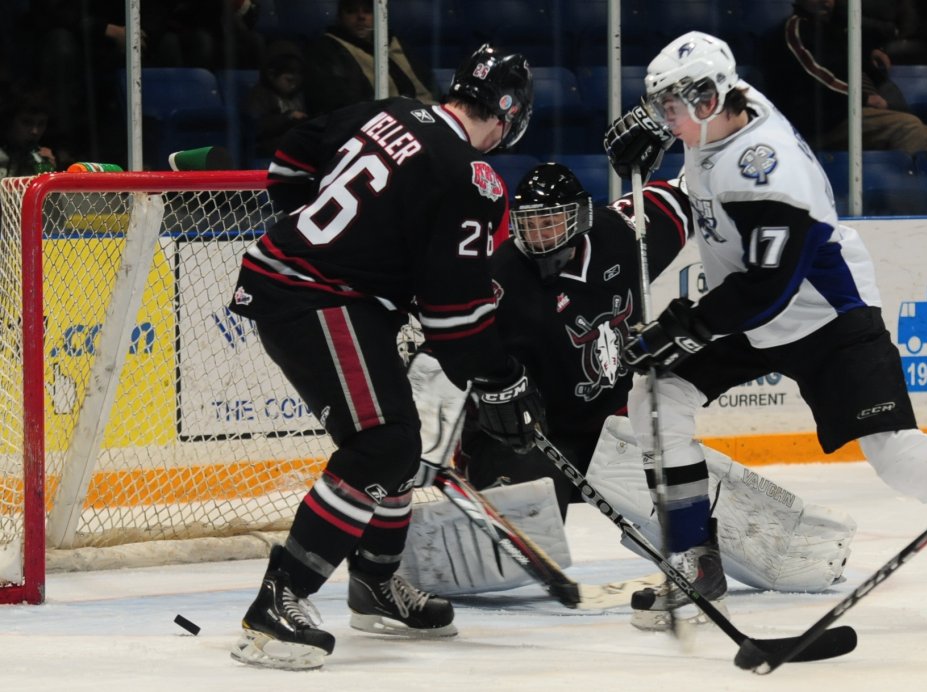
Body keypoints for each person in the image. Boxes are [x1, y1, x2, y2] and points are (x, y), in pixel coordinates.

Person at [601, 30, 927, 617]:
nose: (665, 118)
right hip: (750, 313)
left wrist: (680, 326)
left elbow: (767, 289)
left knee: (899, 458)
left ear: (707, 101)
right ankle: (694, 559)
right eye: (663, 107)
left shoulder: (768, 169)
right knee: (657, 393)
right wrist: (654, 132)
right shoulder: (725, 109)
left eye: (671, 108)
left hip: (828, 319)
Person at [403, 163, 856, 630]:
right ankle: (396, 553)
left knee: (685, 505)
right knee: (518, 536)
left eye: (551, 221)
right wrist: (458, 424)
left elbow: (689, 189)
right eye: (530, 223)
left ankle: (803, 551)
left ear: (579, 217)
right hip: (529, 435)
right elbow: (446, 354)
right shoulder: (497, 277)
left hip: (610, 425)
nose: (539, 234)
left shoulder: (624, 233)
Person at [226, 43, 540, 671]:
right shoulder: (472, 178)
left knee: (395, 435)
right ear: (510, 113)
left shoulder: (392, 110)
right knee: (383, 442)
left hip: (307, 284)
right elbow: (454, 314)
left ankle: (375, 584)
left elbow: (292, 155)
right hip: (315, 295)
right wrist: (501, 381)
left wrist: (336, 233)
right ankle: (278, 603)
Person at [761, 0, 927, 155]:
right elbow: (816, 73)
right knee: (911, 129)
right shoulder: (795, 28)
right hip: (823, 122)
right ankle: (891, 189)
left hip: (848, 114)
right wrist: (862, 98)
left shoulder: (837, 30)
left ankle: (890, 184)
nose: (826, 0)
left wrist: (871, 52)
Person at [304, 0, 439, 117]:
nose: (361, 17)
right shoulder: (328, 50)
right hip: (373, 125)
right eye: (351, 11)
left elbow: (428, 85)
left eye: (368, 11)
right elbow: (338, 105)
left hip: (422, 116)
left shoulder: (394, 43)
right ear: (340, 17)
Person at [246, 40, 308, 157]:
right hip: (268, 146)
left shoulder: (297, 96)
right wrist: (288, 117)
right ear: (271, 74)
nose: (294, 85)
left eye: (297, 80)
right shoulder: (260, 95)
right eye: (289, 80)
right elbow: (256, 126)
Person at [0, 84, 58, 177]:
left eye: (41, 124)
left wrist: (49, 173)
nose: (35, 131)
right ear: (9, 122)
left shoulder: (39, 159)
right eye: (26, 122)